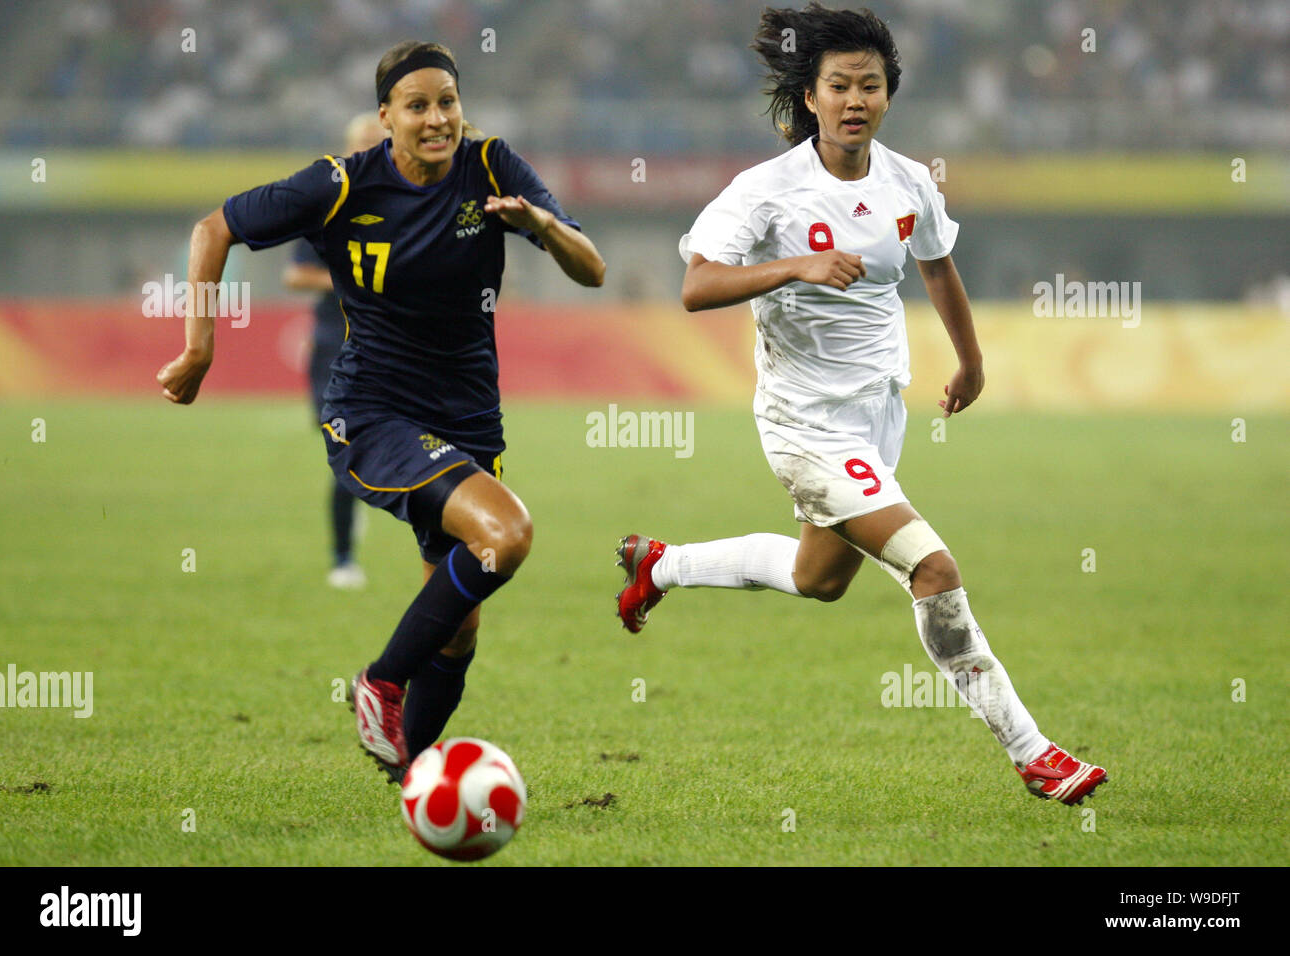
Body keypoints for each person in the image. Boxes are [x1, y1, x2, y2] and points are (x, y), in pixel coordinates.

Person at [615, 4, 1106, 806]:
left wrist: (972, 361)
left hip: (877, 417)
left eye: (869, 85)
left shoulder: (909, 182)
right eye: (838, 84)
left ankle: (661, 566)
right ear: (809, 96)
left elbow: (937, 266)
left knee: (820, 579)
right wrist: (794, 269)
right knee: (933, 567)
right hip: (803, 424)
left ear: (888, 94)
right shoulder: (766, 193)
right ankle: (1035, 752)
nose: (855, 99)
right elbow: (697, 286)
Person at [158, 40, 606, 783]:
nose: (438, 119)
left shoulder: (492, 166)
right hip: (373, 413)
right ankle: (382, 681)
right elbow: (214, 230)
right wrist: (200, 346)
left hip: (468, 423)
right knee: (509, 534)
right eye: (419, 106)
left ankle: (411, 780)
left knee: (460, 631)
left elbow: (589, 268)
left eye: (448, 102)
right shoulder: (341, 185)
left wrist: (541, 225)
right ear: (386, 118)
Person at [282, 113, 388, 591]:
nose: (369, 150)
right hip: (333, 344)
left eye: (378, 141)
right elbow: (295, 274)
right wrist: (350, 283)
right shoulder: (326, 206)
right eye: (361, 143)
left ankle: (344, 556)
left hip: (390, 345)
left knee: (366, 446)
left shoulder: (410, 204)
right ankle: (344, 552)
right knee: (344, 449)